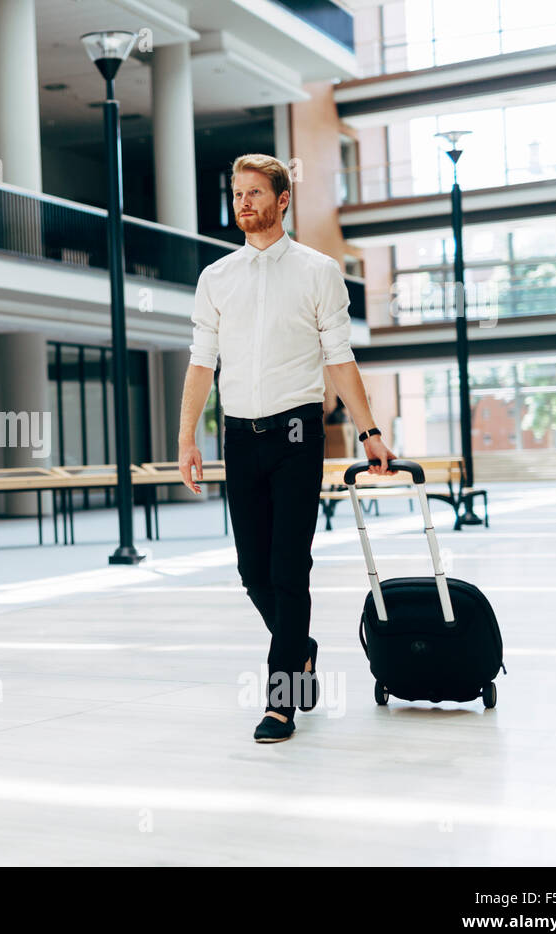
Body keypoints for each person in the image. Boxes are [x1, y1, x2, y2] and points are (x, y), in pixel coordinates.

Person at [177, 154, 395, 743]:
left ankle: (282, 701)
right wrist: (187, 436)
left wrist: (370, 431)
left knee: (288, 568)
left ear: (282, 201)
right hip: (239, 435)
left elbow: (339, 358)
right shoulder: (215, 278)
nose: (243, 203)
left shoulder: (319, 271)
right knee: (253, 571)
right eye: (237, 192)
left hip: (299, 434)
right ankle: (298, 646)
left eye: (254, 193)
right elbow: (202, 363)